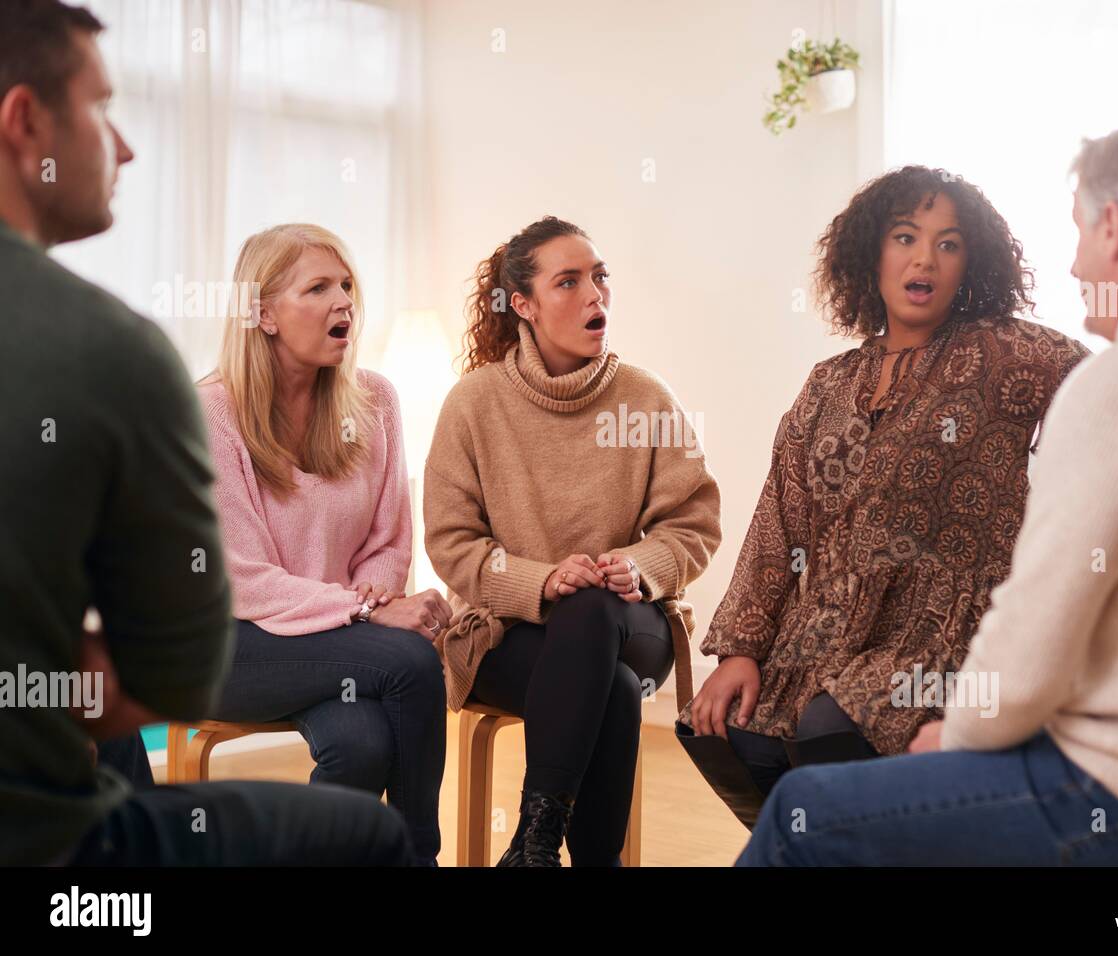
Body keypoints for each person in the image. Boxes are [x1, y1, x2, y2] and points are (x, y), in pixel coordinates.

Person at [739, 119, 1118, 866]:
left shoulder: (1113, 382)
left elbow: (1039, 632)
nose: (1071, 267)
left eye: (1078, 233)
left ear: (1114, 225)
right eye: (906, 238)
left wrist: (960, 738)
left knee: (798, 817)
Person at [0, 0, 410, 866]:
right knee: (376, 813)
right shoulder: (114, 351)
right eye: (102, 109)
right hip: (50, 847)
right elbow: (178, 666)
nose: (126, 147)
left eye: (347, 287)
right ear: (24, 121)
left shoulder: (371, 400)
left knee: (369, 727)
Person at [677, 166, 1090, 827]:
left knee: (825, 729)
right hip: (823, 634)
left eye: (949, 244)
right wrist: (740, 651)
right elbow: (778, 523)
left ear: (969, 263)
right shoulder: (826, 385)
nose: (926, 257)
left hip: (946, 635)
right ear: (870, 253)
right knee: (729, 727)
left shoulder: (1012, 354)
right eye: (905, 237)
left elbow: (1116, 391)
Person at [424, 216, 722, 865]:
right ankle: (576, 855)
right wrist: (541, 580)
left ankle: (533, 845)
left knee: (592, 612)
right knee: (609, 690)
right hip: (507, 637)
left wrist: (636, 567)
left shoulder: (645, 397)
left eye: (600, 277)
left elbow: (693, 524)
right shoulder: (473, 405)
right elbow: (451, 543)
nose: (595, 295)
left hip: (629, 624)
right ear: (523, 305)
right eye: (569, 282)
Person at [198, 223, 452, 866]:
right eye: (318, 288)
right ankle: (418, 855)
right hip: (230, 643)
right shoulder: (213, 414)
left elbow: (388, 540)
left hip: (329, 642)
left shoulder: (374, 401)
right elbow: (242, 579)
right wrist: (365, 613)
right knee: (413, 662)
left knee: (363, 742)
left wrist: (372, 592)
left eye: (346, 286)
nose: (344, 302)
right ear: (263, 313)